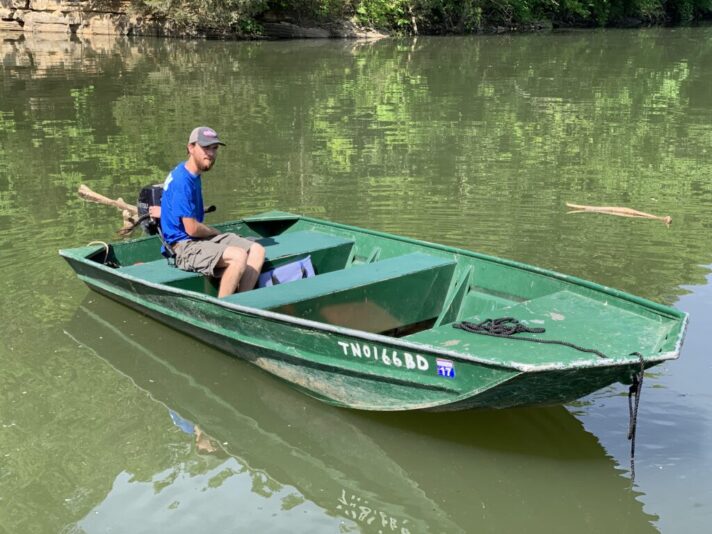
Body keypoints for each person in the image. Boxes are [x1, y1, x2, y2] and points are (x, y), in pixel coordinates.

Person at [158, 126, 265, 298]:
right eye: (205, 147)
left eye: (214, 148)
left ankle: (244, 302)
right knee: (238, 256)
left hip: (197, 239)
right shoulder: (182, 181)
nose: (211, 153)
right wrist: (214, 232)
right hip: (183, 247)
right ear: (191, 148)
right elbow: (192, 229)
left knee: (257, 250)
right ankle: (225, 309)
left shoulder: (192, 173)